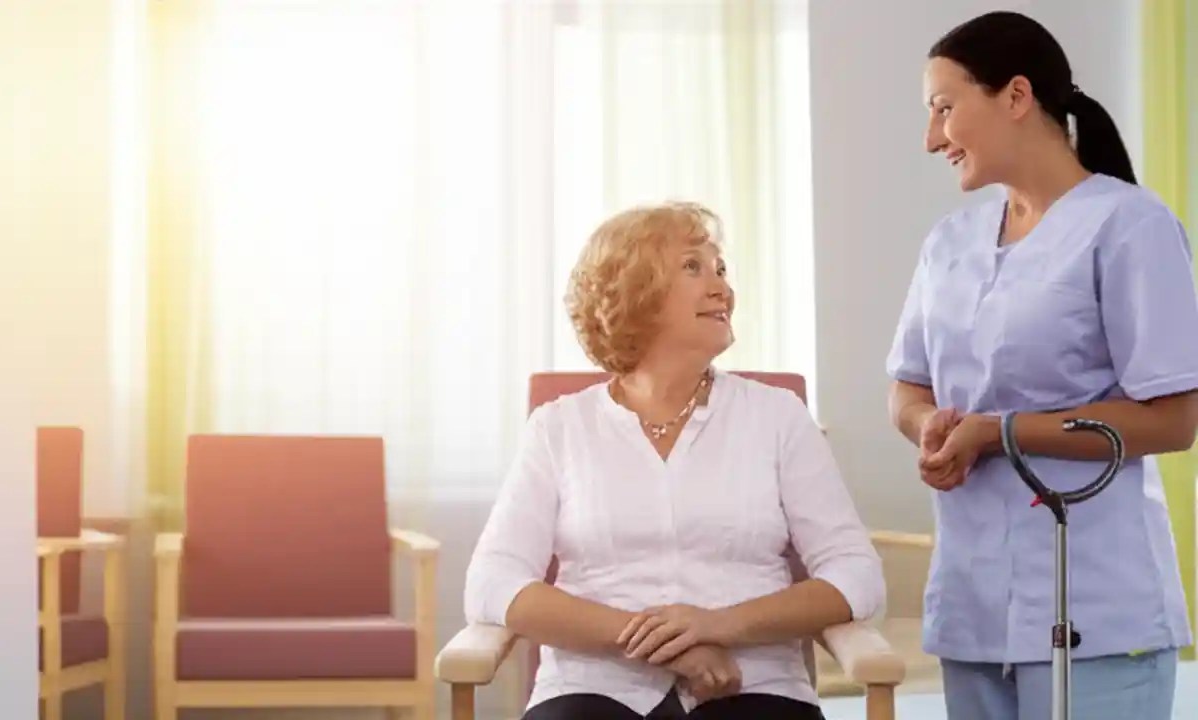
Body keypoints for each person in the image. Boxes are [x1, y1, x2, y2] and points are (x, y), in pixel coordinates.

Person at [887, 10, 1198, 720]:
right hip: (972, 605)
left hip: (1096, 606)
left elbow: (1174, 420)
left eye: (943, 109)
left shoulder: (1130, 226)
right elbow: (907, 384)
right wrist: (929, 424)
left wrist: (1000, 433)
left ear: (1017, 96)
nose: (931, 137)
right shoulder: (951, 242)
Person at [464, 201, 884, 720]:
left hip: (753, 683)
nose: (722, 287)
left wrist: (719, 625)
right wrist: (666, 643)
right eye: (693, 267)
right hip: (593, 685)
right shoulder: (559, 427)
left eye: (721, 269)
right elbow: (493, 581)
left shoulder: (778, 416)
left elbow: (855, 574)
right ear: (633, 291)